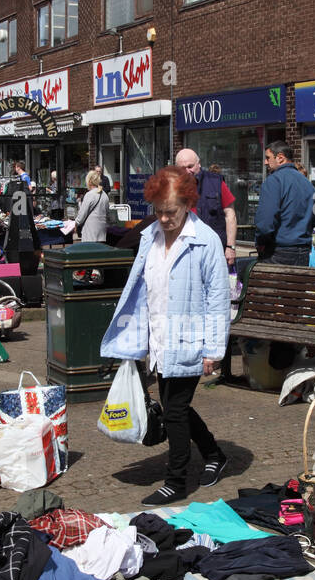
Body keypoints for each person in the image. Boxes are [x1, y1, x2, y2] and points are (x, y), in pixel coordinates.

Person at [100, 167, 231, 506]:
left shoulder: (206, 241)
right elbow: (140, 286)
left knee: (173, 410)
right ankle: (215, 454)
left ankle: (176, 481)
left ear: (188, 203)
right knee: (178, 407)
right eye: (157, 210)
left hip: (190, 338)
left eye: (170, 210)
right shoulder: (151, 235)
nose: (163, 217)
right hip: (158, 337)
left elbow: (218, 299)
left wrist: (213, 350)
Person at [253, 141, 315, 266]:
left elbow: (266, 221)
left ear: (280, 158)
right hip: (303, 251)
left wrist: (260, 242)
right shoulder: (307, 183)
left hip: (278, 251)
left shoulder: (274, 181)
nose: (265, 162)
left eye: (268, 158)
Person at [174, 148, 238, 266]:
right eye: (183, 168)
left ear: (198, 164)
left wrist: (231, 247)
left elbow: (230, 215)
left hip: (214, 249)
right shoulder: (171, 186)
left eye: (190, 166)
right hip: (182, 250)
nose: (187, 171)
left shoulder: (216, 182)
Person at [74, 169, 111, 243]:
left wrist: (75, 223)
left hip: (90, 233)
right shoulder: (104, 195)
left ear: (89, 181)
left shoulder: (89, 195)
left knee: (89, 253)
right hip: (102, 233)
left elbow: (81, 215)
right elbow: (107, 214)